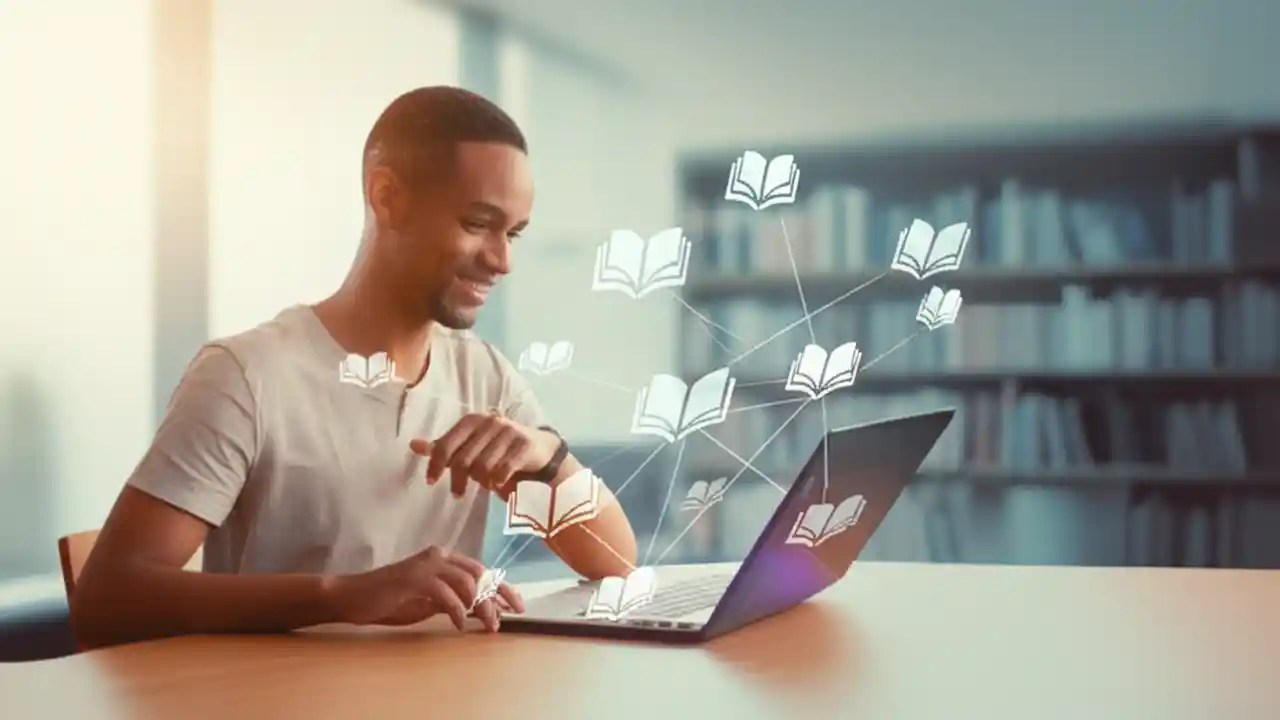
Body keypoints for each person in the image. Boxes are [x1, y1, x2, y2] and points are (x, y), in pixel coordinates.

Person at [71, 86, 639, 649]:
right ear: (387, 196)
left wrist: (546, 455)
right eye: (477, 223)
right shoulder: (246, 376)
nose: (502, 260)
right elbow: (107, 600)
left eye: (512, 233)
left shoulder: (484, 378)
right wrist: (342, 596)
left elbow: (615, 561)